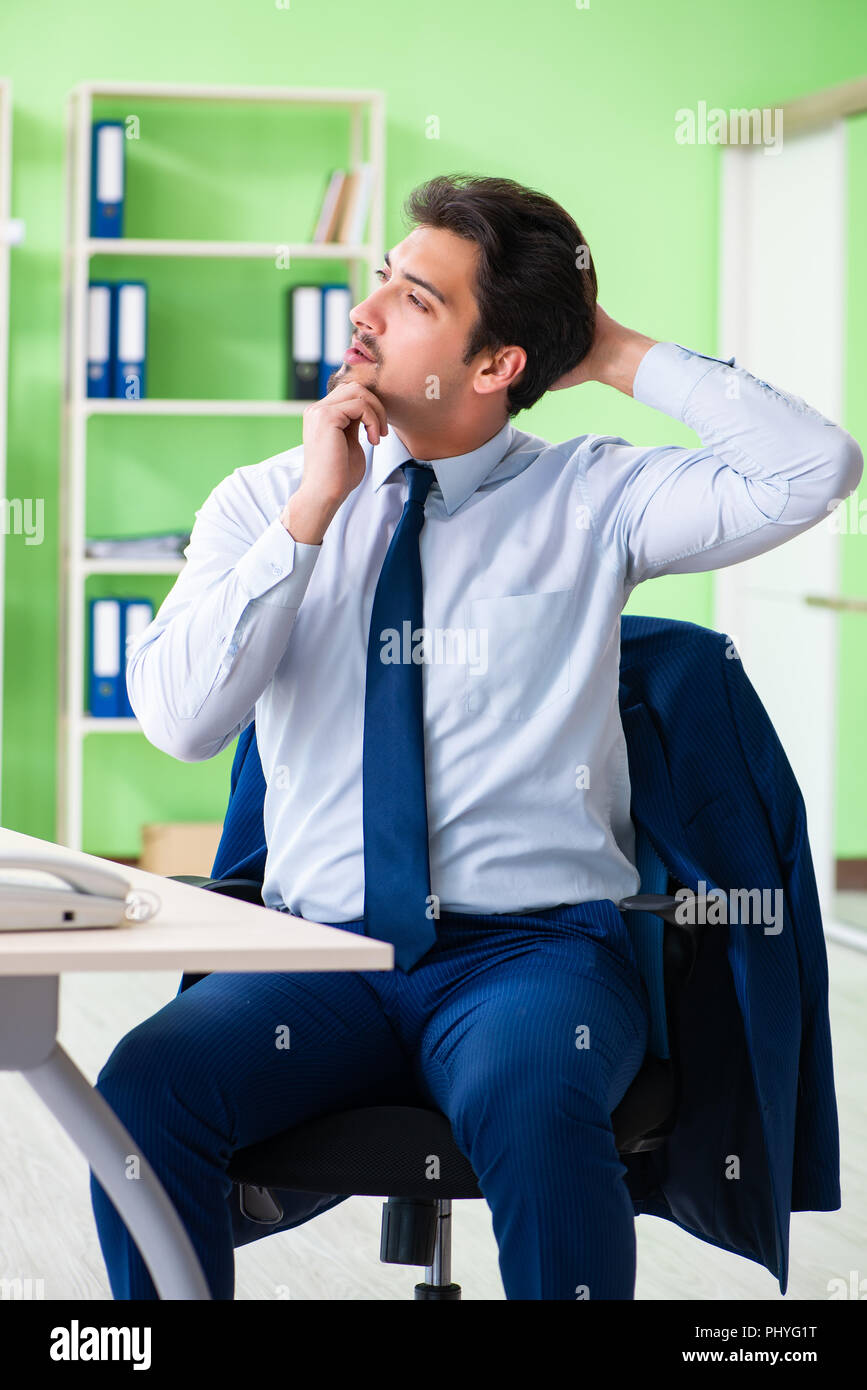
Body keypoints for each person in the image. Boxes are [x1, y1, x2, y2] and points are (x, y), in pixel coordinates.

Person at [90, 173, 863, 1301]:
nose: (364, 312)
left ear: (498, 363)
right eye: (381, 282)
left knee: (536, 1097)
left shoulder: (593, 499)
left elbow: (817, 467)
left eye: (412, 298)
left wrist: (604, 348)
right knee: (143, 1090)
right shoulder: (266, 502)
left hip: (533, 953)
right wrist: (312, 519)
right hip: (323, 953)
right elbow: (180, 722)